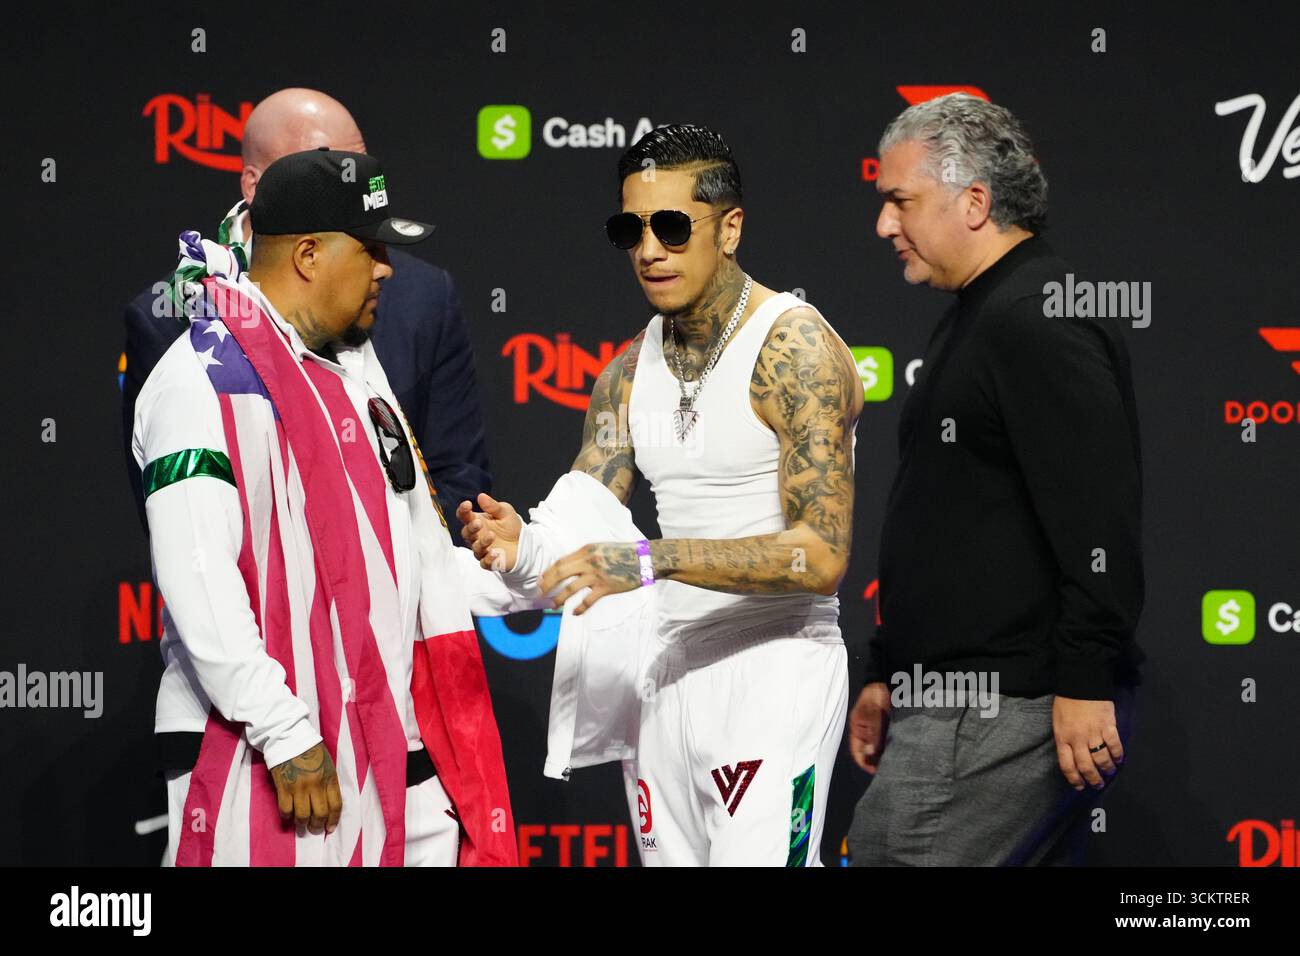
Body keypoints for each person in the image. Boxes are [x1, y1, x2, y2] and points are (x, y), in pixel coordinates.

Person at [460, 124, 862, 866]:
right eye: (631, 229)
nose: (650, 250)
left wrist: (650, 560)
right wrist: (523, 550)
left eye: (673, 227)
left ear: (730, 226)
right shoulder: (624, 370)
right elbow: (585, 517)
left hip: (777, 668)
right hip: (665, 675)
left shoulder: (794, 349)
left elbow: (822, 556)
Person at [132, 148, 515, 866]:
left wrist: (527, 569)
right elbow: (198, 573)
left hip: (375, 741)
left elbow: (396, 568)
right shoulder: (198, 381)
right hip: (264, 751)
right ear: (307, 254)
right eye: (369, 248)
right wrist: (283, 730)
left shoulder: (350, 386)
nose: (386, 269)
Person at [846, 93, 1144, 865]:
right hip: (956, 703)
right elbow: (950, 517)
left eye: (899, 202)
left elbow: (1098, 519)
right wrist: (891, 672)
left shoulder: (1037, 314)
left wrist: (1084, 678)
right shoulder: (986, 311)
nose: (883, 226)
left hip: (1002, 708)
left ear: (974, 201)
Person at [122, 88, 491, 537]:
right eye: (325, 166)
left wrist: (377, 578)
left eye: (355, 164)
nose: (348, 182)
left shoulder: (422, 295)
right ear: (256, 187)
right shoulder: (171, 315)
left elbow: (460, 481)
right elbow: (179, 519)